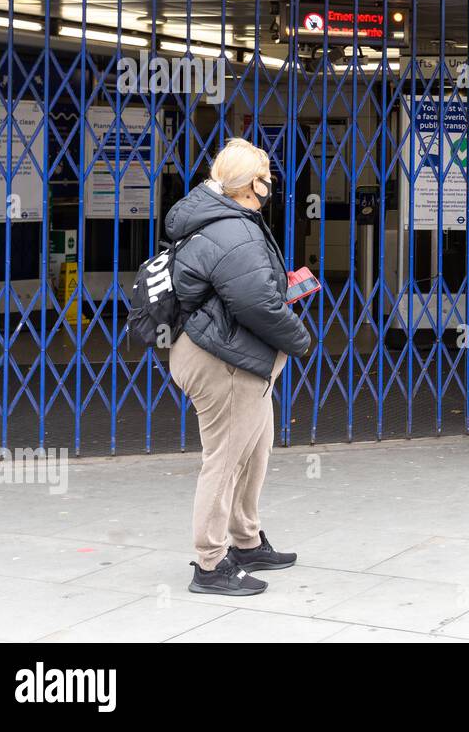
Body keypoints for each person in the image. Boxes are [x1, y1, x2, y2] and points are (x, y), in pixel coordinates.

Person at [166, 138, 313, 595]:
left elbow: (244, 288)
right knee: (226, 461)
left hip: (231, 353)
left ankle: (246, 541)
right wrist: (299, 339)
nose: (271, 183)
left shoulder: (222, 217)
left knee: (256, 451)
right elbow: (256, 303)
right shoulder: (233, 228)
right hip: (223, 361)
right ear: (252, 183)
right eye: (266, 175)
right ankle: (210, 564)